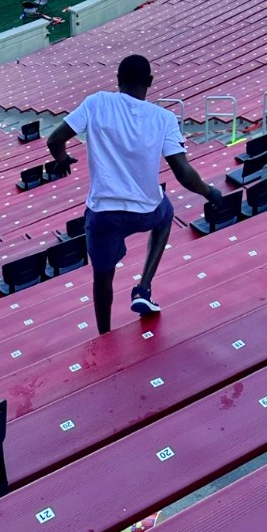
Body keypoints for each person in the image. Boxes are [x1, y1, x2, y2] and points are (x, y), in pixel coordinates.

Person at [46, 54, 223, 335]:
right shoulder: (163, 118)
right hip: (146, 210)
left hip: (103, 214)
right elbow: (183, 173)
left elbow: (54, 139)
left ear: (117, 81)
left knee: (102, 277)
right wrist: (210, 191)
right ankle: (143, 287)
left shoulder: (97, 103)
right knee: (166, 215)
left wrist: (62, 159)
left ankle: (105, 333)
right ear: (150, 82)